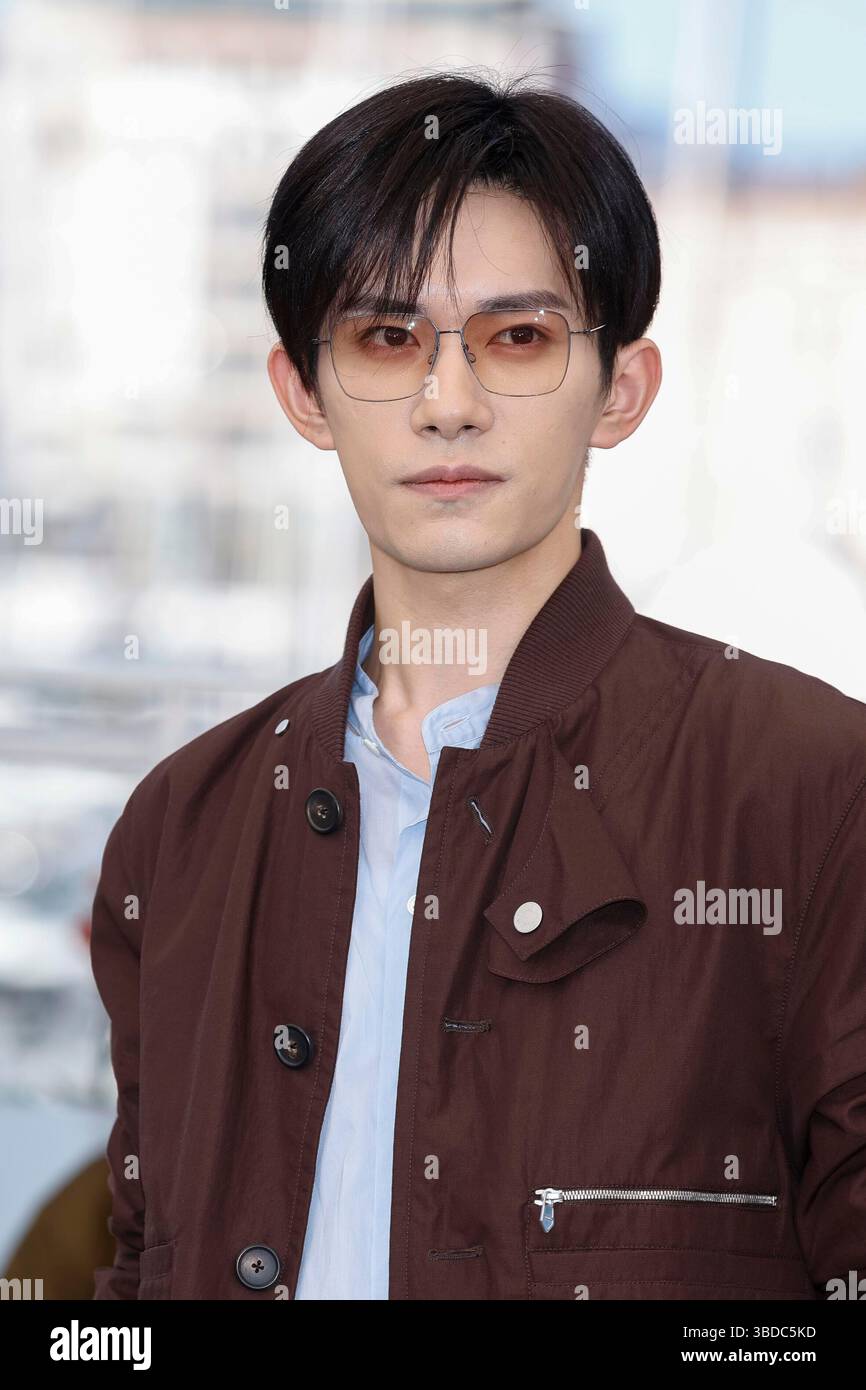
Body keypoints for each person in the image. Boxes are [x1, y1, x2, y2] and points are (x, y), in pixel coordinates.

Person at [90, 71, 865, 1302]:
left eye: (517, 338)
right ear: (304, 392)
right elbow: (134, 1271)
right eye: (386, 339)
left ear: (620, 388)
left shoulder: (811, 788)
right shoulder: (181, 826)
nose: (448, 405)